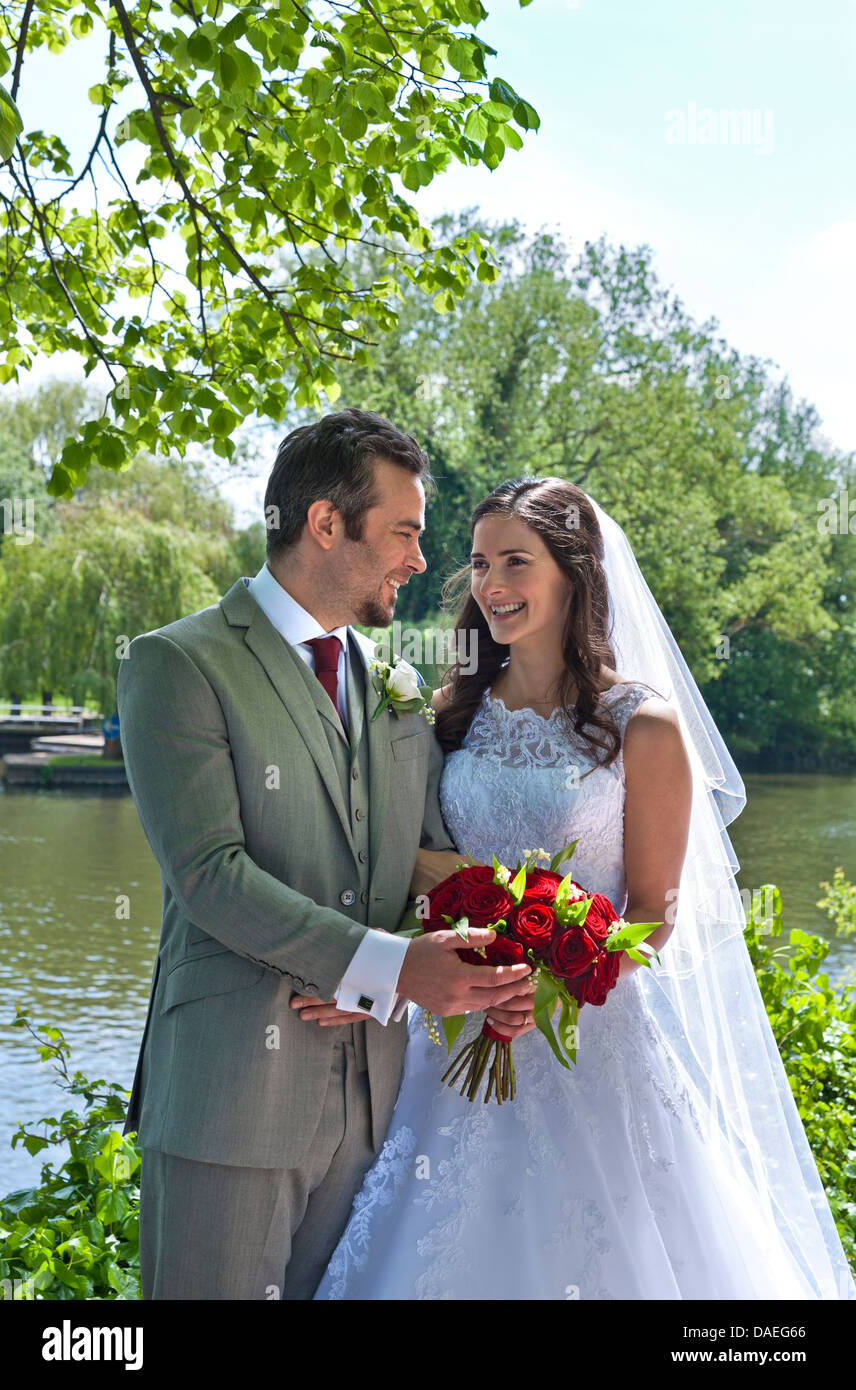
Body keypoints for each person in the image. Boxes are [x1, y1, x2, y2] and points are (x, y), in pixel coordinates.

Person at [298, 476, 856, 1301]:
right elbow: (410, 868)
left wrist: (552, 975)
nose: (490, 585)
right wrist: (384, 977)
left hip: (594, 1042)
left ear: (576, 573)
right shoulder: (445, 715)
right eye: (480, 563)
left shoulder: (644, 725)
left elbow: (656, 916)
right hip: (450, 1034)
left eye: (516, 562)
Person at [117, 410, 535, 1300]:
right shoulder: (177, 664)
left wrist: (497, 963)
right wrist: (386, 967)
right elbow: (208, 874)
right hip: (231, 1102)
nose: (421, 561)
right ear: (323, 523)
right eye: (405, 533)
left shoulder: (395, 684)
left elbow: (433, 863)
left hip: (376, 1111)